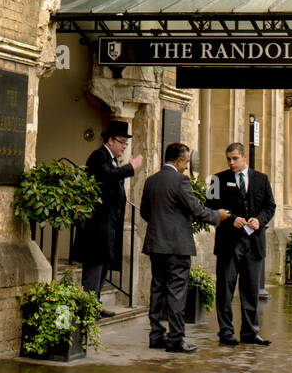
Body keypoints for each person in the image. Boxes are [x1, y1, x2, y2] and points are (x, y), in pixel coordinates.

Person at [139, 142, 228, 353]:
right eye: (186, 162)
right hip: (177, 246)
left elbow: (144, 212)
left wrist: (160, 225)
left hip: (156, 244)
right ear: (179, 160)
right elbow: (196, 209)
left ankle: (156, 335)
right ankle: (176, 338)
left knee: (157, 289)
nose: (187, 166)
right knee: (177, 291)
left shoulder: (151, 181)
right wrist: (218, 216)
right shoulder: (181, 181)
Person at [207, 141, 276, 346]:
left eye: (235, 158)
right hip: (229, 242)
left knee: (250, 289)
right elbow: (210, 205)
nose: (231, 162)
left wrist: (259, 220)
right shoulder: (218, 180)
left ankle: (250, 332)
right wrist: (230, 217)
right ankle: (226, 332)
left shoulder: (261, 179)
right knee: (225, 289)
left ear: (245, 157)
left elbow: (270, 206)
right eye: (229, 159)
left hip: (253, 243)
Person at [72, 120, 142, 316]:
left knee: (103, 265)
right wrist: (131, 167)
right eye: (122, 142)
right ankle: (88, 305)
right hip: (97, 225)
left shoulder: (111, 158)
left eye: (125, 144)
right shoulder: (99, 156)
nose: (123, 147)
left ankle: (95, 303)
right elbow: (108, 175)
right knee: (95, 264)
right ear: (110, 140)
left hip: (108, 224)